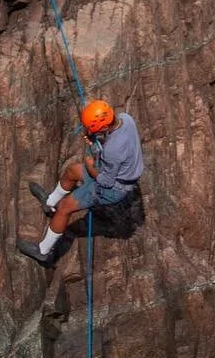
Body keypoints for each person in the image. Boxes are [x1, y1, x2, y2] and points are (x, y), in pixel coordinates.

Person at [15, 98, 143, 265]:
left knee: (65, 208)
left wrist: (90, 166)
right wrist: (96, 140)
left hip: (112, 188)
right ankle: (49, 203)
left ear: (104, 127)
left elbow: (105, 181)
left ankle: (43, 252)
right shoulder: (126, 119)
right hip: (116, 172)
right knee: (72, 171)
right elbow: (114, 145)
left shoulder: (113, 150)